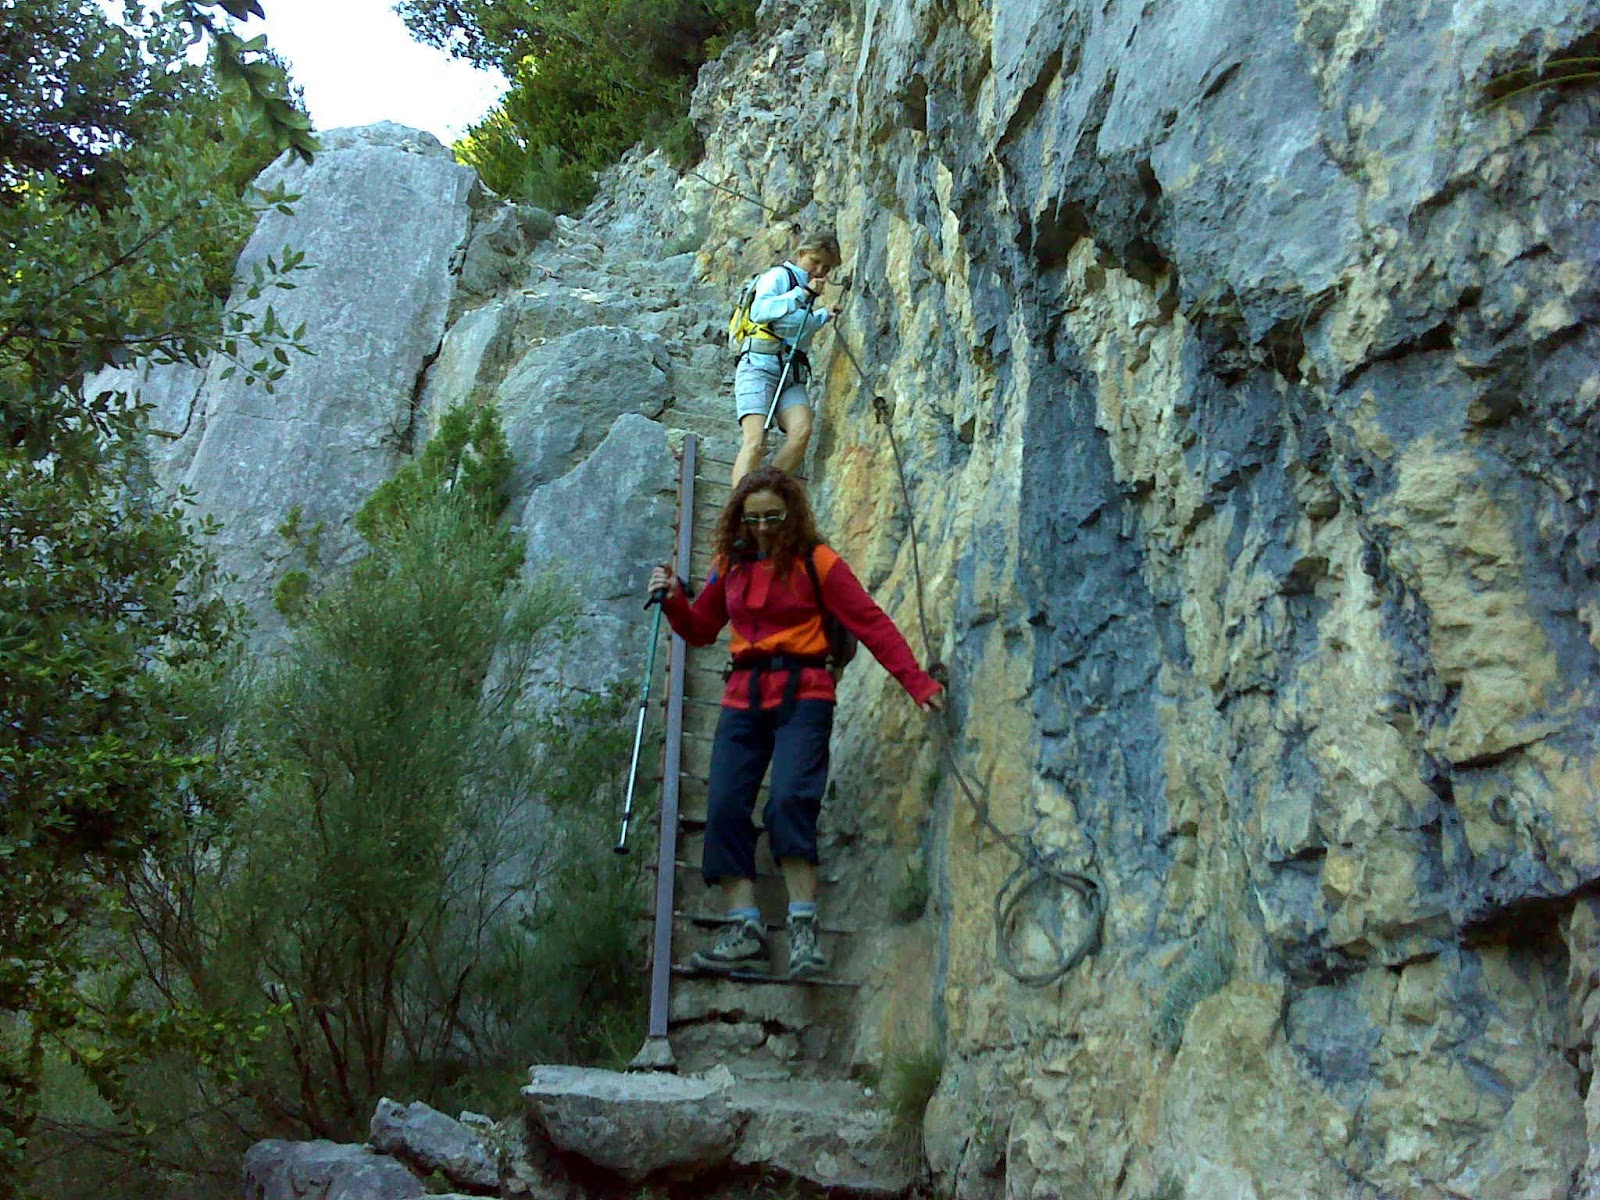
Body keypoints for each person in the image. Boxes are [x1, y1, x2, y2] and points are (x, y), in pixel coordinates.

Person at [648, 467, 943, 980]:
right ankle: (745, 928)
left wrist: (916, 683)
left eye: (773, 518)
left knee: (788, 799)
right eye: (753, 518)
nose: (762, 528)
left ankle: (803, 928)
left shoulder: (817, 561)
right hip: (743, 696)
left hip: (804, 693)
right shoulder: (730, 564)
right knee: (722, 805)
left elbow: (870, 622)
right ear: (740, 517)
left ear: (793, 515)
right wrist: (674, 599)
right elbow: (700, 629)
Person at [729, 231, 842, 487]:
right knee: (756, 441)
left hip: (791, 372)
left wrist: (823, 315)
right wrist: (802, 294)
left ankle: (763, 492)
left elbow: (793, 328)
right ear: (801, 253)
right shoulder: (778, 277)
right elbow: (760, 312)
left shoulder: (808, 289)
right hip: (758, 365)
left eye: (826, 267)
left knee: (801, 431)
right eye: (814, 261)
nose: (819, 270)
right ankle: (737, 509)